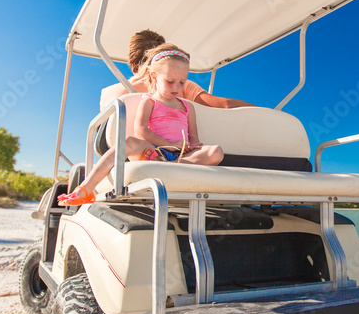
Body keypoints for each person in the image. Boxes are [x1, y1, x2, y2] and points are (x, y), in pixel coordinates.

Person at [59, 44, 224, 206]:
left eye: (182, 82)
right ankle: (85, 189)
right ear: (154, 77)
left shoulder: (188, 107)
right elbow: (141, 130)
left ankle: (169, 166)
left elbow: (193, 136)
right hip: (153, 150)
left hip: (181, 157)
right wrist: (170, 145)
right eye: (170, 81)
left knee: (216, 152)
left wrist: (192, 145)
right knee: (130, 141)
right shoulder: (149, 101)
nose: (177, 87)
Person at [99, 29, 252, 110]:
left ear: (131, 60)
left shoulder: (107, 94)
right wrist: (267, 112)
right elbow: (226, 105)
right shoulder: (179, 84)